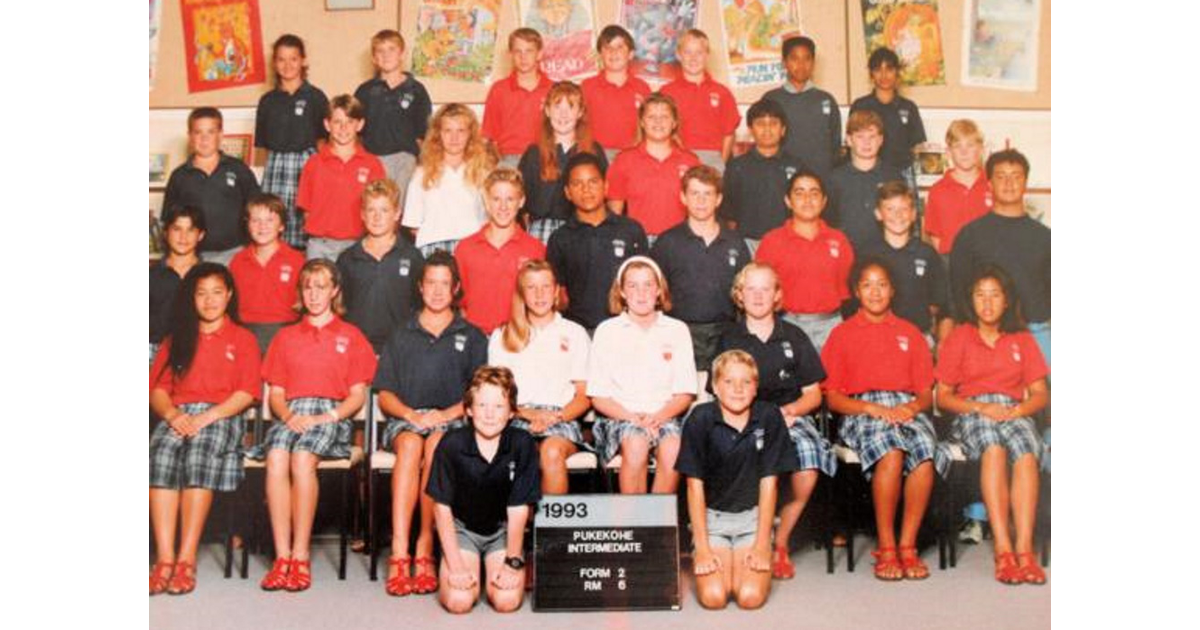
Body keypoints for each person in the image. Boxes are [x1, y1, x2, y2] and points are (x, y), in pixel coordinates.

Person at [821, 258, 948, 581]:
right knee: (891, 449)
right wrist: (871, 410)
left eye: (881, 285)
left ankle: (908, 546)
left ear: (892, 290)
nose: (875, 292)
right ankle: (887, 546)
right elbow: (833, 397)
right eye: (867, 285)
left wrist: (911, 409)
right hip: (862, 409)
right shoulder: (842, 334)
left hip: (905, 407)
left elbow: (924, 392)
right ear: (856, 291)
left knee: (923, 450)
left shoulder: (910, 333)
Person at [255, 259, 377, 592]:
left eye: (321, 286)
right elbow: (276, 395)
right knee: (277, 456)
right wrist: (289, 416)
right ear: (300, 291)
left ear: (335, 290)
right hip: (292, 413)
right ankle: (282, 558)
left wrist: (328, 417)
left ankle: (300, 554)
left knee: (302, 458)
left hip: (330, 415)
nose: (314, 294)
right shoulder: (285, 337)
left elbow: (356, 396)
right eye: (308, 286)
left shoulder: (350, 336)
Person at [373, 252, 488, 596]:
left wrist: (446, 415)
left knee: (437, 443)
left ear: (455, 288)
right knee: (410, 444)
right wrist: (410, 414)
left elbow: (479, 393)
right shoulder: (401, 333)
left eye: (444, 284)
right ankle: (399, 550)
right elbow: (385, 395)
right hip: (408, 417)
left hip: (452, 420)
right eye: (430, 283)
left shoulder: (471, 335)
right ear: (420, 287)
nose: (437, 291)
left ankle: (425, 546)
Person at [716, 262, 833, 580]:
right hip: (743, 418)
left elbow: (814, 394)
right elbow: (721, 391)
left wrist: (791, 412)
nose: (758, 295)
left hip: (789, 416)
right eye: (750, 289)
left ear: (777, 295)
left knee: (808, 466)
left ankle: (779, 542)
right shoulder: (730, 338)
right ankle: (750, 539)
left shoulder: (794, 336)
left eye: (765, 289)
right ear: (739, 295)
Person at [150, 264, 261, 595]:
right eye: (201, 293)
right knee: (160, 455)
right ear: (192, 299)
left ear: (228, 295)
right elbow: (156, 388)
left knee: (198, 455)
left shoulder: (242, 338)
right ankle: (165, 558)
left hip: (221, 416)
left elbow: (246, 393)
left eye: (216, 292)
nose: (210, 300)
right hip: (180, 413)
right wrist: (172, 414)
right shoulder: (177, 339)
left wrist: (208, 417)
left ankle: (186, 559)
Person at [935, 266, 1049, 585]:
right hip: (974, 410)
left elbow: (1041, 393)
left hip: (1014, 410)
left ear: (1006, 300)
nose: (987, 303)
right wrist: (980, 406)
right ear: (971, 301)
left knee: (1027, 450)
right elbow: (943, 396)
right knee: (994, 448)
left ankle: (1024, 551)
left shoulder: (1022, 339)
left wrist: (1019, 410)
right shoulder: (960, 337)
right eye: (980, 295)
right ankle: (1003, 549)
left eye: (994, 295)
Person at [676, 350, 800, 609]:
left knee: (749, 597)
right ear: (715, 388)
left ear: (756, 388)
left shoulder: (769, 416)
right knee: (714, 598)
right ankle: (722, 554)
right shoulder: (700, 418)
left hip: (753, 521)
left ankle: (742, 554)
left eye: (746, 382)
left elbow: (770, 484)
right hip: (713, 522)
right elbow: (693, 487)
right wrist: (704, 547)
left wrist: (763, 544)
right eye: (729, 382)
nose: (738, 389)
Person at [428, 366, 541, 613]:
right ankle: (464, 564)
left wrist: (512, 561)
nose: (490, 415)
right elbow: (441, 507)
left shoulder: (522, 443)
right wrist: (456, 565)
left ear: (512, 412)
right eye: (482, 406)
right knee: (459, 601)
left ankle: (494, 563)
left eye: (499, 407)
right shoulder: (452, 443)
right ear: (468, 409)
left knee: (506, 601)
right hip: (462, 530)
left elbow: (519, 509)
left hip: (501, 532)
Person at [588, 256, 696, 494]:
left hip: (665, 416)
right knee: (636, 442)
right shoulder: (608, 331)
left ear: (659, 290)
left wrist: (657, 417)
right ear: (622, 292)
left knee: (674, 448)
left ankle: (657, 526)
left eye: (648, 285)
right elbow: (598, 397)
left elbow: (685, 393)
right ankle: (631, 525)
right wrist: (634, 419)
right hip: (619, 418)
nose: (641, 292)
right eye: (633, 285)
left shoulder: (677, 330)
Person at [488, 260, 591, 494]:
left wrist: (555, 417)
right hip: (516, 417)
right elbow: (496, 393)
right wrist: (526, 413)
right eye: (531, 288)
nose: (539, 294)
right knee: (519, 448)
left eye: (545, 287)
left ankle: (552, 530)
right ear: (522, 293)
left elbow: (584, 396)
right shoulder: (503, 334)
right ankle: (520, 526)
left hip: (561, 419)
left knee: (551, 451)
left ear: (556, 291)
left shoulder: (574, 333)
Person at [949, 149, 1050, 365]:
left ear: (1026, 182)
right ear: (989, 183)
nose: (1009, 183)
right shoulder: (970, 235)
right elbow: (958, 292)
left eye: (1016, 176)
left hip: (1036, 331)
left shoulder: (1045, 237)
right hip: (986, 334)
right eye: (1001, 176)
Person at [651, 165, 750, 370]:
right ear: (683, 197)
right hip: (679, 332)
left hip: (725, 333)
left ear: (719, 199)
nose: (701, 200)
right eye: (694, 193)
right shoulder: (667, 242)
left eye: (708, 194)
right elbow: (656, 294)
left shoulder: (735, 243)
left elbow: (745, 294)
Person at [546, 153, 649, 332]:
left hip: (625, 329)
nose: (586, 189)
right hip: (579, 332)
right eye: (577, 184)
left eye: (593, 182)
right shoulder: (560, 238)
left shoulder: (631, 230)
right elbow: (558, 296)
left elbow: (645, 285)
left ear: (606, 186)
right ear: (568, 193)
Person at [755, 169, 854, 352]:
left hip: (831, 327)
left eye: (814, 193)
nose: (807, 199)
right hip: (787, 325)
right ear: (788, 201)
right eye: (799, 193)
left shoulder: (839, 241)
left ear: (824, 201)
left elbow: (845, 289)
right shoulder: (772, 241)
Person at [255, 34, 329, 249]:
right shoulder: (268, 101)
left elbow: (324, 144)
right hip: (276, 167)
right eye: (281, 59)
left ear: (303, 61)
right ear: (274, 63)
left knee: (304, 226)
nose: (287, 65)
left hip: (307, 166)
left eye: (293, 59)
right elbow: (263, 150)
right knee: (275, 223)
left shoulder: (316, 97)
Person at [336, 178, 425, 353]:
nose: (377, 217)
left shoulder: (412, 256)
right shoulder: (348, 259)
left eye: (384, 210)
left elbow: (420, 306)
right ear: (362, 214)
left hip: (400, 348)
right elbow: (339, 308)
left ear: (397, 213)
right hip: (357, 348)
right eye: (371, 210)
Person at [163, 107, 261, 265]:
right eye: (198, 132)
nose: (204, 139)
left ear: (221, 135)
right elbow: (169, 222)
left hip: (235, 253)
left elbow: (256, 211)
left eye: (210, 132)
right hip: (193, 256)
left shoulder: (238, 169)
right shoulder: (179, 176)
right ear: (190, 136)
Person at [455, 168, 546, 334]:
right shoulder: (465, 248)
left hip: (518, 339)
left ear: (521, 201)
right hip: (476, 340)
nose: (503, 206)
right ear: (486, 201)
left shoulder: (535, 248)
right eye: (496, 199)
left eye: (510, 199)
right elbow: (460, 302)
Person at [858, 181, 951, 344]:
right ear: (878, 214)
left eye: (904, 209)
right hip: (876, 337)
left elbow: (940, 302)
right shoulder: (867, 255)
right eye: (890, 209)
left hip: (919, 336)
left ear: (914, 213)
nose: (898, 215)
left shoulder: (926, 253)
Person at [296, 94, 386, 261]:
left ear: (360, 125)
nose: (343, 128)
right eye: (337, 122)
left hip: (357, 246)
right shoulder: (313, 163)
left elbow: (379, 208)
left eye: (350, 122)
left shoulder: (373, 164)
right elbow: (306, 210)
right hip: (319, 246)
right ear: (327, 125)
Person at [517, 81, 609, 244]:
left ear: (580, 112)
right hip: (542, 229)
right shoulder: (533, 153)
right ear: (547, 111)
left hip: (584, 227)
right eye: (557, 107)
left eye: (570, 108)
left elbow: (604, 197)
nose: (563, 115)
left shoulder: (594, 151)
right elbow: (522, 202)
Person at [402, 103, 499, 257]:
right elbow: (414, 224)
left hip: (472, 248)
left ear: (470, 134)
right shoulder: (422, 174)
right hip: (432, 248)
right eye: (448, 131)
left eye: (461, 131)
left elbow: (490, 219)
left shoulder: (483, 174)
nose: (454, 138)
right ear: (438, 134)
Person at [606, 93, 701, 241]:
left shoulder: (691, 161)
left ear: (674, 122)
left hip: (679, 241)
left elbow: (698, 209)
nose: (658, 122)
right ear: (642, 122)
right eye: (651, 117)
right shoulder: (624, 160)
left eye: (664, 117)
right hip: (637, 239)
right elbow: (614, 213)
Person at [354, 29, 432, 203]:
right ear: (374, 58)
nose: (386, 55)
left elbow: (424, 134)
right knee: (375, 207)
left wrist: (425, 164)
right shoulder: (365, 91)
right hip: (373, 158)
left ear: (402, 54)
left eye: (391, 49)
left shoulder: (416, 90)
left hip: (405, 159)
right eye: (380, 51)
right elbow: (355, 132)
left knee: (401, 208)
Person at [721, 99, 807, 255]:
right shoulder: (737, 167)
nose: (767, 129)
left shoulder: (797, 166)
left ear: (783, 130)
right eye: (760, 124)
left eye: (773, 123)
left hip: (787, 243)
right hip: (748, 244)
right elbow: (728, 214)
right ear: (751, 129)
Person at [229, 193, 304, 353]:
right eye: (255, 220)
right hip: (246, 333)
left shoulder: (296, 260)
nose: (262, 226)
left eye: (270, 220)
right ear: (247, 224)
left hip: (284, 333)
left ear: (282, 225)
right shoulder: (238, 261)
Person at [849, 48, 927, 199]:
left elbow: (916, 146)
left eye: (889, 69)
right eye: (878, 69)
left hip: (902, 173)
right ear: (871, 74)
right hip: (868, 171)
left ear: (897, 72)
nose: (884, 75)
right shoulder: (861, 105)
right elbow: (852, 143)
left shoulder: (908, 107)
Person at [658, 29, 740, 170]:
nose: (693, 58)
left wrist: (721, 164)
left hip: (713, 160)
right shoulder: (666, 92)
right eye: (687, 52)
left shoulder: (722, 93)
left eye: (699, 53)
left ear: (707, 55)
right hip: (676, 159)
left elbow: (729, 134)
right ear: (678, 55)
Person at [762, 36, 842, 180]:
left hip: (820, 178)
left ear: (813, 63)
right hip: (780, 177)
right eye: (794, 59)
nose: (801, 64)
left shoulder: (826, 100)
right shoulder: (771, 99)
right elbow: (763, 143)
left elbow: (835, 146)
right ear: (784, 62)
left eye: (807, 59)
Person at [826, 110, 902, 251]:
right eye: (860, 136)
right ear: (849, 140)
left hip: (886, 255)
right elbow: (828, 224)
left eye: (872, 136)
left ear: (881, 140)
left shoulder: (893, 176)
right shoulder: (834, 179)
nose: (867, 142)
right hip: (846, 253)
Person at [482, 28, 552, 167]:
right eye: (517, 51)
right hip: (509, 159)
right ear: (511, 55)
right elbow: (489, 136)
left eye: (529, 51)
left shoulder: (553, 89)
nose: (523, 57)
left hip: (545, 159)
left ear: (539, 54)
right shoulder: (499, 90)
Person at [581, 25, 652, 159]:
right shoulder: (587, 87)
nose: (613, 53)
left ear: (631, 54)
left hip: (632, 156)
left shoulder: (642, 88)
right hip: (595, 156)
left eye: (620, 47)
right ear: (600, 53)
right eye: (607, 48)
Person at [923, 119, 990, 256]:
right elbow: (935, 234)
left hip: (988, 263)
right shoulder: (937, 191)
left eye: (970, 145)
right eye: (957, 146)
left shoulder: (992, 186)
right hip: (951, 262)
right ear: (948, 152)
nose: (964, 152)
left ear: (981, 150)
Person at [151, 206, 206, 363]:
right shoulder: (151, 276)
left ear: (201, 235)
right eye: (177, 229)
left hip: (200, 349)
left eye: (191, 230)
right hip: (155, 351)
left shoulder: (210, 275)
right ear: (165, 233)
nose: (183, 237)